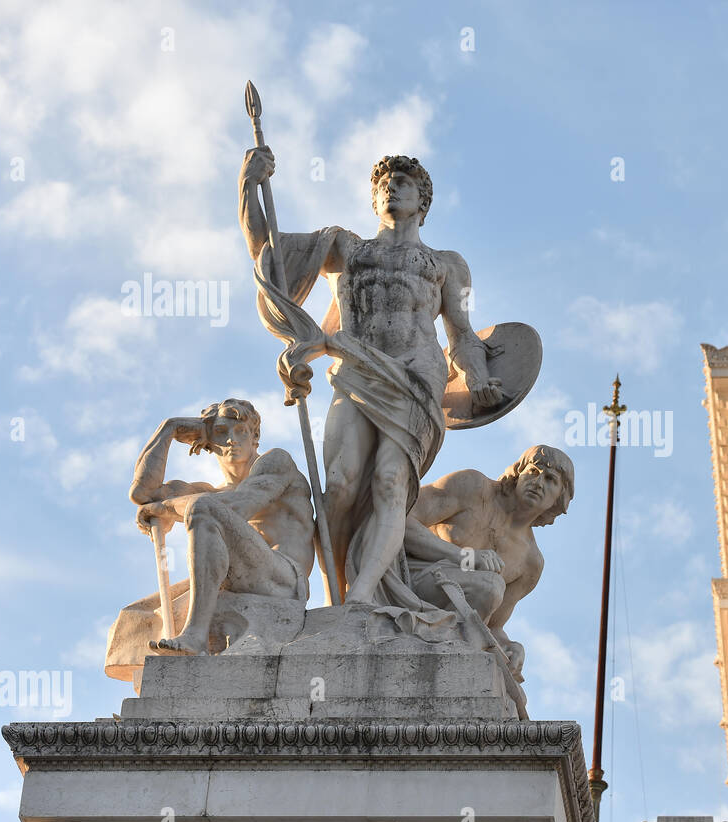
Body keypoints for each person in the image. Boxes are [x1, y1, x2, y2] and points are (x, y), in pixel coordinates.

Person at [239, 148, 503, 606]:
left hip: (418, 378)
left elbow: (461, 333)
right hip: (356, 370)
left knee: (388, 483)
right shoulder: (344, 248)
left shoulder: (446, 264)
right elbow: (269, 258)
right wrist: (249, 185)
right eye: (383, 184)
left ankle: (362, 596)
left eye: (402, 182)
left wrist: (476, 378)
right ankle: (340, 593)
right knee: (340, 484)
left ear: (423, 200)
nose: (390, 187)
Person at [130, 399, 313, 654]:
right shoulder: (211, 493)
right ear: (207, 441)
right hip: (240, 577)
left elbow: (237, 507)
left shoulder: (276, 462)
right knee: (140, 614)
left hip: (285, 578)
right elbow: (143, 493)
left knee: (202, 507)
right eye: (220, 432)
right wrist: (168, 429)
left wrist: (163, 509)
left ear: (255, 436)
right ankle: (195, 633)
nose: (231, 440)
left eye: (241, 432)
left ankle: (195, 636)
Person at [399, 446, 575, 678]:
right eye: (533, 471)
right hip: (408, 581)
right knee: (490, 585)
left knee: (490, 588)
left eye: (550, 479)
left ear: (559, 498)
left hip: (457, 619)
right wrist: (464, 557)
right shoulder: (473, 487)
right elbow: (398, 518)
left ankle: (453, 667)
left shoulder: (531, 563)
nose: (538, 482)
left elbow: (491, 624)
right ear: (517, 473)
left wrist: (511, 647)